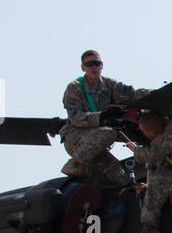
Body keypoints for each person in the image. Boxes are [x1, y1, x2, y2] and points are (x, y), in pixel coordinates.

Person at [60, 49, 150, 187]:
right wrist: (104, 116)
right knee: (109, 133)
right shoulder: (75, 88)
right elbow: (76, 118)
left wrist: (156, 94)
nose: (94, 67)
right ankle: (73, 164)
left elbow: (131, 94)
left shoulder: (108, 85)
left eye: (97, 63)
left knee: (122, 179)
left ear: (102, 65)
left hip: (97, 146)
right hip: (76, 139)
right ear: (83, 68)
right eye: (90, 64)